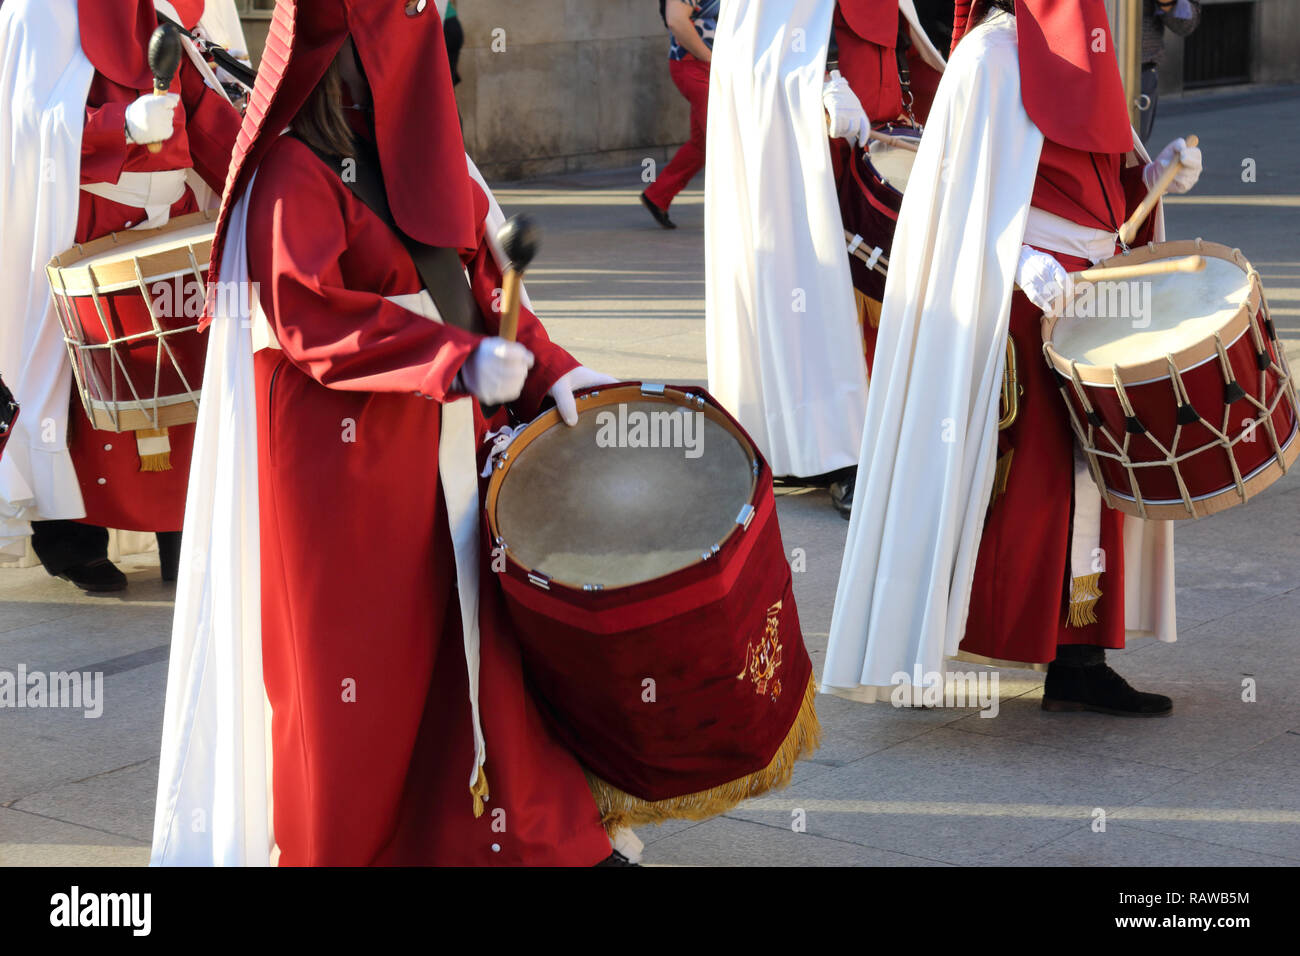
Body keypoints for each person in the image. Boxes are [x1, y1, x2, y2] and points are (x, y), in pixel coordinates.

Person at [151, 0, 625, 866]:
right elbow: (310, 318)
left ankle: (545, 844)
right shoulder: (291, 175)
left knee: (480, 660)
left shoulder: (436, 158)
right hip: (345, 478)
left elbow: (484, 280)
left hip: (444, 451)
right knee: (364, 695)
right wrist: (453, 361)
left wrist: (553, 370)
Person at [823, 0, 1202, 717]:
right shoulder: (988, 58)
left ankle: (1080, 661)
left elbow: (1102, 178)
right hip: (1026, 301)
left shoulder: (1087, 50)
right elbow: (953, 206)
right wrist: (1017, 257)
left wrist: (1153, 175)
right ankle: (989, 636)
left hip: (1097, 287)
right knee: (1033, 484)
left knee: (1100, 478)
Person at [0, 0, 240, 592]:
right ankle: (72, 542)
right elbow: (26, 127)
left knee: (185, 384)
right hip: (87, 231)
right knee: (81, 396)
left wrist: (263, 158)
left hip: (175, 228)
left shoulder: (172, 10)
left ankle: (186, 535)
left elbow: (212, 112)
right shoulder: (37, 12)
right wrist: (120, 127)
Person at [705, 0, 872, 513]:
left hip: (856, 137)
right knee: (795, 286)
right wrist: (813, 87)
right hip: (804, 152)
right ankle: (813, 448)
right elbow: (754, 67)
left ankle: (831, 445)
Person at [641, 0, 719, 229]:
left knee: (703, 142)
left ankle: (658, 195)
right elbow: (675, 19)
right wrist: (712, 59)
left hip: (703, 65)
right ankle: (741, 218)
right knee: (725, 141)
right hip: (697, 66)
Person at [1140, 0, 1200, 143]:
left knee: (1130, 158)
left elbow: (1187, 23)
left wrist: (1168, 3)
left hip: (1140, 71)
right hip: (1082, 67)